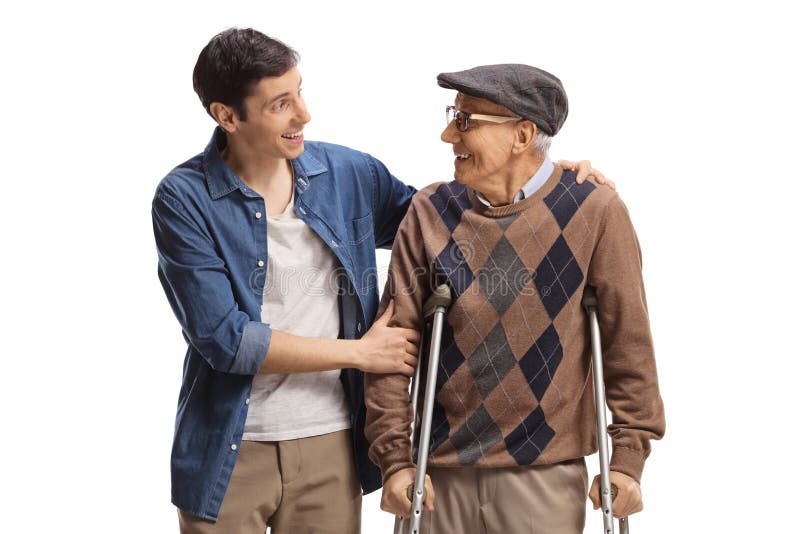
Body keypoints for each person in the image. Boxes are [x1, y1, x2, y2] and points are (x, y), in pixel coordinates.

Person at [153, 28, 606, 533]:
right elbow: (226, 340)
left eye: (300, 92)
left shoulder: (345, 172)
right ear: (227, 116)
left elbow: (452, 220)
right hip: (229, 450)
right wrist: (359, 353)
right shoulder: (184, 199)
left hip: (332, 441)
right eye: (281, 104)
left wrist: (541, 177)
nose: (304, 114)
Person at [365, 64, 665, 534]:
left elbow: (627, 344)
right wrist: (395, 459)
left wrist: (627, 459)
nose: (448, 134)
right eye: (452, 115)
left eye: (465, 121)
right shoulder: (428, 211)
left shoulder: (595, 209)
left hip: (544, 476)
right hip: (440, 473)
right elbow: (392, 345)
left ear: (522, 135)